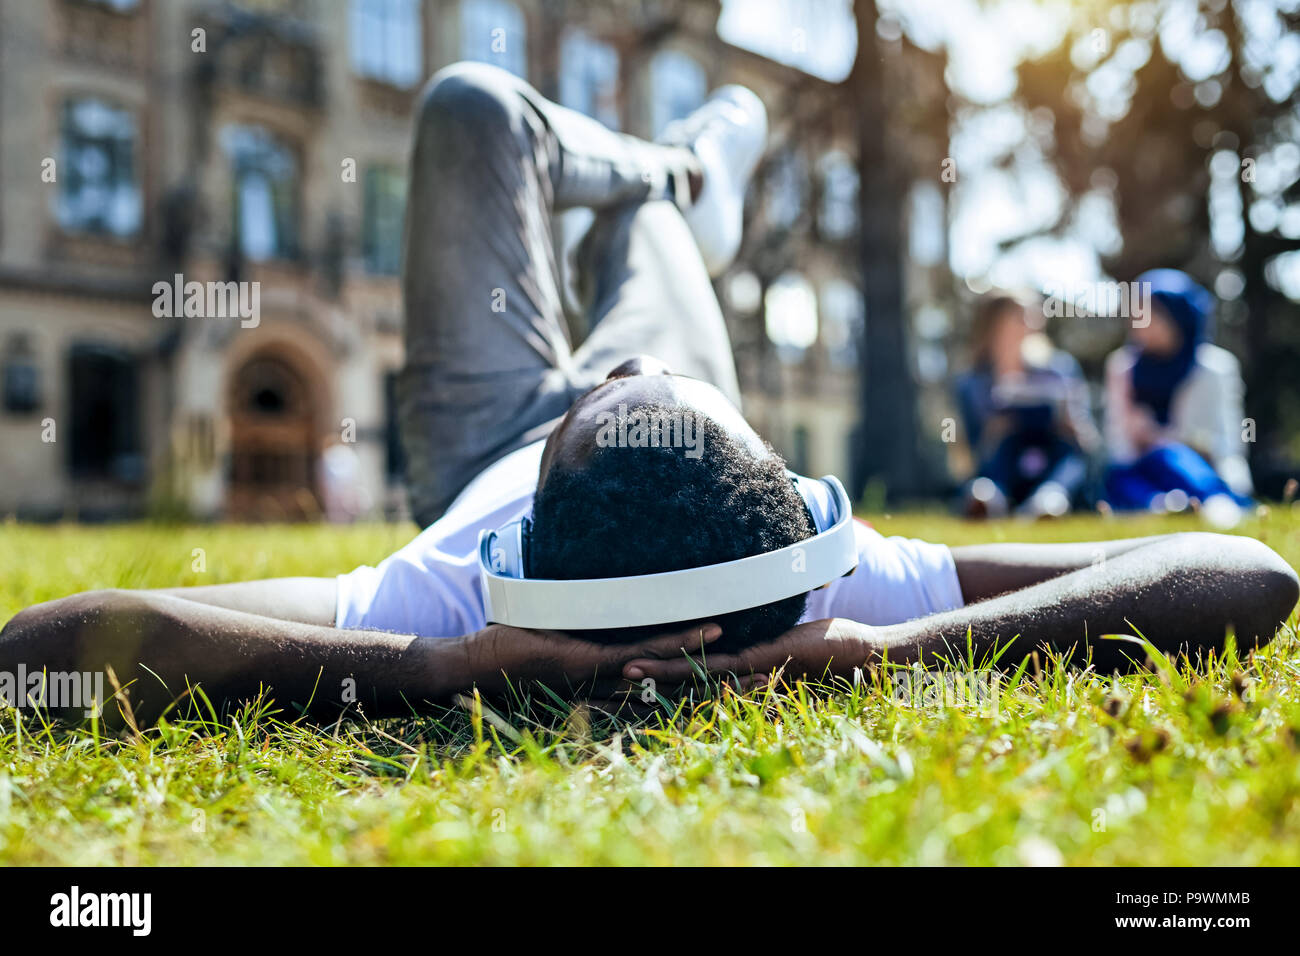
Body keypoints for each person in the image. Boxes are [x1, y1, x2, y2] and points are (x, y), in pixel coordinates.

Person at [1, 65, 1295, 725]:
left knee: (471, 108)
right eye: (658, 377)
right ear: (791, 496)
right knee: (642, 234)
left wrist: (444, 668)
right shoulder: (847, 589)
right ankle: (679, 180)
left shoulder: (444, 594)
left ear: (520, 555)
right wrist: (896, 654)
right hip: (621, 449)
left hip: (477, 430)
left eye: (622, 381)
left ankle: (669, 181)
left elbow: (38, 663)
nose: (625, 360)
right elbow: (1242, 572)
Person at [1103, 269, 1254, 518]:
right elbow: (1117, 444)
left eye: (1149, 313)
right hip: (1140, 470)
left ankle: (1215, 501)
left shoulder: (1215, 368)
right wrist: (1140, 440)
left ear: (1175, 315)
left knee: (1170, 455)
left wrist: (1161, 438)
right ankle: (1165, 506)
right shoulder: (1122, 368)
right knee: (1121, 480)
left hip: (1198, 469)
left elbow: (1226, 441)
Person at [955, 294, 1099, 518]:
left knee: (1066, 454)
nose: (1030, 323)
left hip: (1051, 454)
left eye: (1034, 315)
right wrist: (995, 431)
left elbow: (1087, 438)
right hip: (1005, 461)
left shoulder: (1060, 369)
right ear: (994, 324)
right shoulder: (971, 383)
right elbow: (970, 451)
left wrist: (1069, 425)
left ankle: (1051, 498)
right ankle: (991, 498)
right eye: (1020, 317)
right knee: (1005, 451)